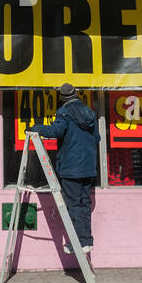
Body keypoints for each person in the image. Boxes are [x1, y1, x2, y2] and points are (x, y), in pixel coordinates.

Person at [29, 83, 100, 256]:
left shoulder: (64, 112)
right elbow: (96, 138)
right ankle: (86, 241)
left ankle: (79, 243)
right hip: (88, 168)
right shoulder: (90, 113)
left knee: (74, 204)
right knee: (84, 203)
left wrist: (36, 128)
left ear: (63, 98)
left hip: (71, 168)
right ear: (77, 95)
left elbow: (56, 131)